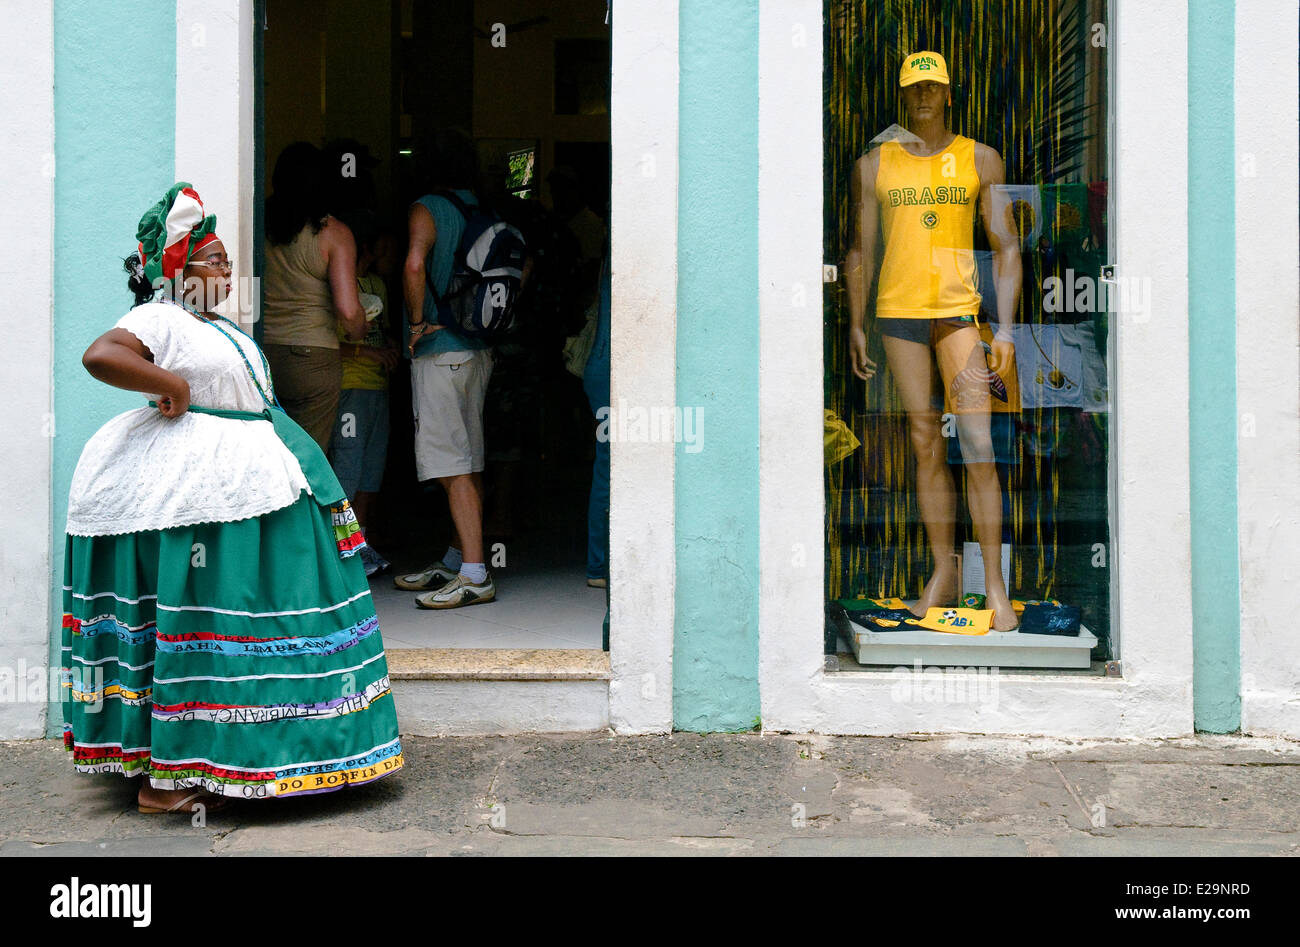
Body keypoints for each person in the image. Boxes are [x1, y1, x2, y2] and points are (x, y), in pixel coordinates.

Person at [62, 184, 403, 813]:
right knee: (210, 626)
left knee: (258, 623)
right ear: (177, 270)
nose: (225, 269)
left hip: (256, 490)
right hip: (213, 502)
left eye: (224, 259)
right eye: (212, 260)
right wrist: (170, 384)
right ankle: (166, 781)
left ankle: (241, 758)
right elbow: (100, 355)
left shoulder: (220, 328)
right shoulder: (162, 317)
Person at [845, 51, 1022, 631]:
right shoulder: (875, 164)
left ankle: (993, 583)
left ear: (949, 92)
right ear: (902, 95)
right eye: (913, 88)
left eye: (933, 87)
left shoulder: (981, 158)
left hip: (958, 317)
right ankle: (943, 573)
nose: (923, 97)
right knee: (925, 442)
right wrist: (854, 321)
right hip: (899, 317)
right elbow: (860, 250)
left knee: (977, 443)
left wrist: (1009, 332)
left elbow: (1007, 248)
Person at [393, 129, 496, 609]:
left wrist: (416, 324)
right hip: (477, 350)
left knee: (450, 464)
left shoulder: (427, 207)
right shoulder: (482, 208)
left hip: (439, 351)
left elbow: (415, 265)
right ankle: (459, 558)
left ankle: (475, 574)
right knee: (467, 457)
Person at [262, 142, 369, 452]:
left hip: (263, 353)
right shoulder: (333, 232)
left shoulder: (259, 222)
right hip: (313, 360)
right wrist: (360, 331)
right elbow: (349, 312)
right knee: (307, 462)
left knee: (268, 455)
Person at [329, 218, 400, 577]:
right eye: (384, 247)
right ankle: (341, 552)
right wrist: (366, 355)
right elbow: (326, 344)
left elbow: (381, 332)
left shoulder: (377, 285)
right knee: (347, 471)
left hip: (377, 388)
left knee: (371, 472)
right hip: (350, 386)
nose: (390, 254)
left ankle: (362, 546)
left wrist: (389, 347)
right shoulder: (338, 284)